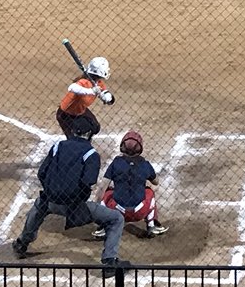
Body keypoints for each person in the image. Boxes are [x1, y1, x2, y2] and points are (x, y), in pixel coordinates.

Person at [12, 135, 130, 268]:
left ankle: (22, 243)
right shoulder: (91, 154)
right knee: (116, 219)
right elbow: (88, 183)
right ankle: (110, 261)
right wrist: (77, 201)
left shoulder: (58, 146)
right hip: (75, 207)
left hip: (50, 202)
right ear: (90, 134)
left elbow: (41, 173)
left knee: (40, 204)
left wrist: (52, 193)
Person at [92, 131, 167, 239]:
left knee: (107, 192)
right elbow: (156, 182)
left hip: (117, 211)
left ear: (122, 146)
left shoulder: (116, 163)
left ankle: (103, 228)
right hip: (140, 212)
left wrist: (96, 207)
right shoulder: (144, 164)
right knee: (149, 191)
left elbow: (102, 187)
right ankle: (152, 225)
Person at [56, 56, 114, 139]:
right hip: (66, 115)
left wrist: (107, 97)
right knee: (73, 139)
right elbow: (72, 87)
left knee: (95, 127)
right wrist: (91, 91)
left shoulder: (98, 83)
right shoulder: (84, 82)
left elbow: (108, 96)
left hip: (81, 111)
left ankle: (86, 142)